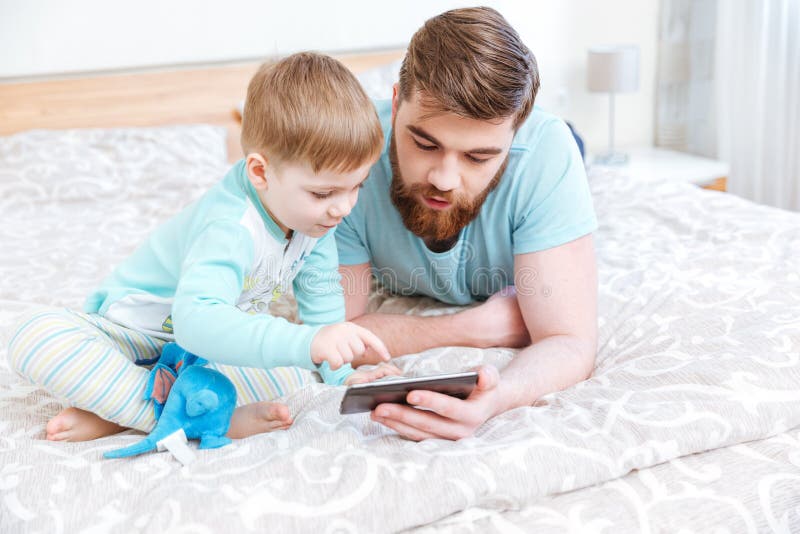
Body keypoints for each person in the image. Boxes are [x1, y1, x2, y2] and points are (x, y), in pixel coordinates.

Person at [6, 52, 399, 443]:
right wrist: (307, 342)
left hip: (204, 353)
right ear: (260, 172)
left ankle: (132, 411)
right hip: (131, 338)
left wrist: (341, 372)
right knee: (35, 335)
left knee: (296, 373)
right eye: (323, 193)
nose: (343, 207)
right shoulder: (229, 227)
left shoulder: (316, 221)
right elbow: (197, 323)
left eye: (357, 187)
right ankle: (201, 417)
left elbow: (322, 304)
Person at [336, 7, 599, 441]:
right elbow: (333, 334)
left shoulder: (543, 153)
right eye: (424, 143)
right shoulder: (349, 152)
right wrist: (471, 329)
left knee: (570, 145)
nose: (444, 179)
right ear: (396, 103)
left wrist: (497, 398)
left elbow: (569, 340)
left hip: (550, 151)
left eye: (478, 157)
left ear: (514, 135)